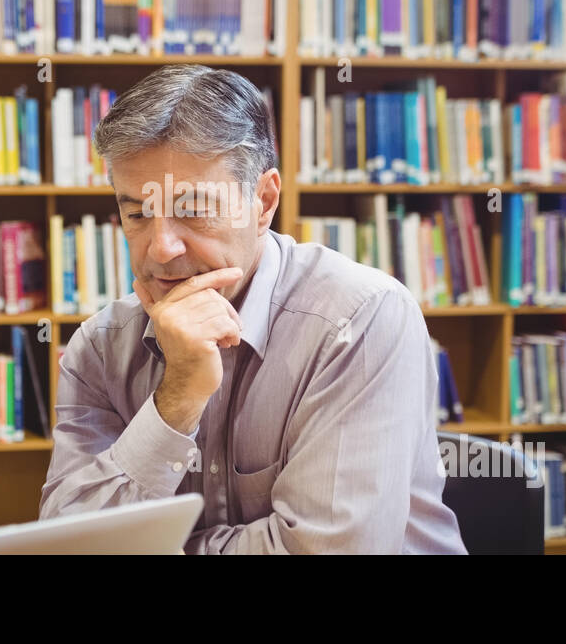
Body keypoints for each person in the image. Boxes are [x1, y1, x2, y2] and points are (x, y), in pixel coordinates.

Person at [39, 65, 466, 553]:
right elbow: (67, 544)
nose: (161, 248)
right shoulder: (98, 347)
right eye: (136, 213)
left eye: (193, 209)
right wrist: (176, 399)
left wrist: (158, 545)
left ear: (262, 202)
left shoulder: (360, 320)